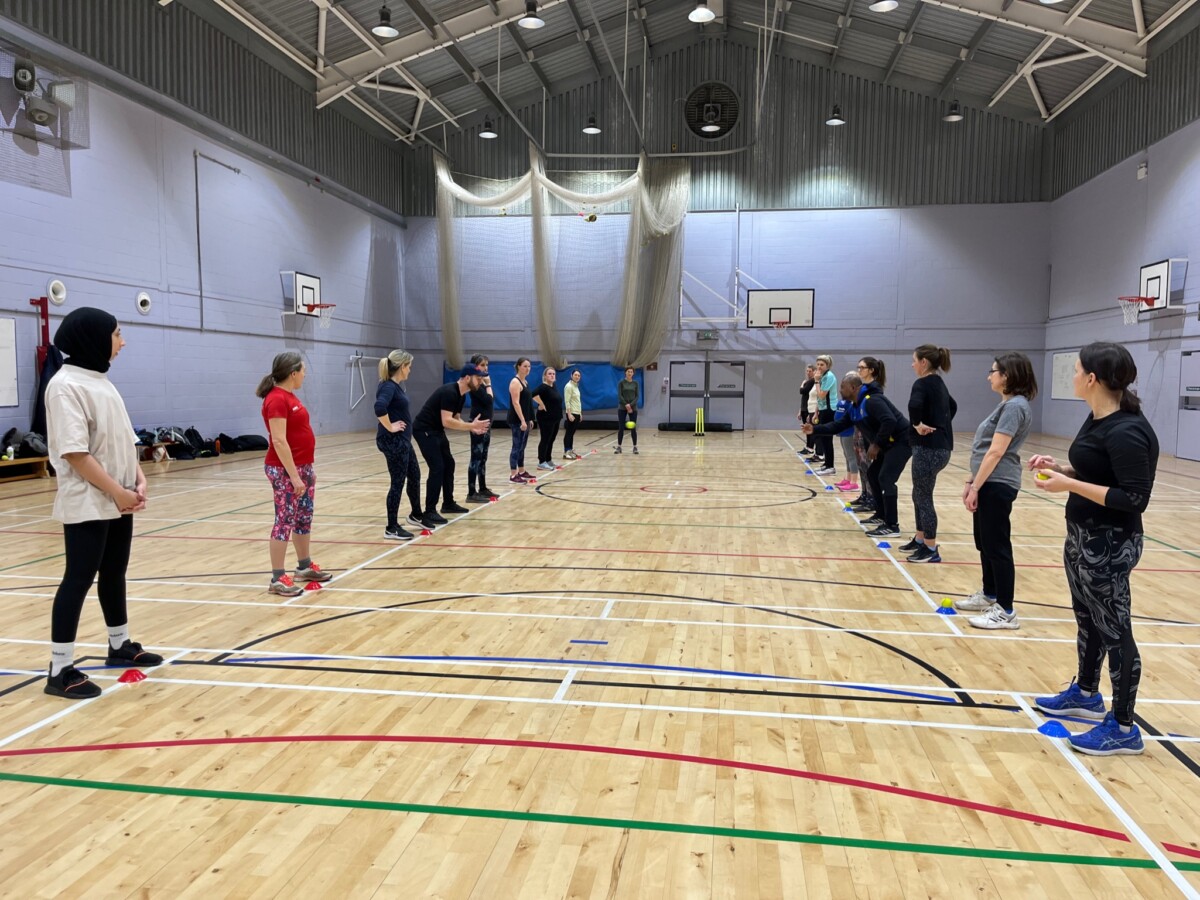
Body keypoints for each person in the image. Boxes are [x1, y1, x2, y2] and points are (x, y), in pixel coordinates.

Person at [1032, 342, 1158, 756]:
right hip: (1082, 535)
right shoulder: (1098, 419)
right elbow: (1096, 471)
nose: (1071, 376)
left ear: (1092, 379)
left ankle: (1123, 726)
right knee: (1087, 618)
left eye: (1076, 370)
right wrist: (1062, 469)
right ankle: (1086, 692)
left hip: (1111, 543)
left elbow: (1132, 498)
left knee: (1115, 630)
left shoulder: (1127, 430)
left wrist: (1069, 484)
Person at [42, 308, 163, 699]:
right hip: (88, 501)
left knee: (115, 572)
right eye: (117, 333)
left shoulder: (102, 381)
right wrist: (116, 490)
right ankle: (60, 668)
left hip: (117, 497)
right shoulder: (64, 386)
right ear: (94, 338)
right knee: (78, 578)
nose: (122, 341)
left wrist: (138, 479)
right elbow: (76, 453)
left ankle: (119, 645)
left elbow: (124, 441)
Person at [953, 352, 1036, 630]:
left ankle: (1006, 610)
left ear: (1007, 375)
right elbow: (983, 451)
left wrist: (976, 485)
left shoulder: (1014, 407)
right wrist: (971, 481)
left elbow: (997, 450)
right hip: (986, 481)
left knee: (997, 545)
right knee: (984, 542)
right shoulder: (1006, 405)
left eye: (993, 371)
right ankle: (989, 594)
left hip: (998, 483)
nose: (989, 376)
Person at [257, 351, 333, 597]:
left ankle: (304, 566)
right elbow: (279, 441)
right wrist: (295, 476)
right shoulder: (276, 399)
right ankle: (278, 578)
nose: (304, 375)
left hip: (301, 468)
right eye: (302, 371)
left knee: (303, 518)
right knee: (284, 520)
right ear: (292, 373)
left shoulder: (289, 397)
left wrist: (307, 472)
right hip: (284, 471)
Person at [413, 364, 491, 527]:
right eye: (478, 379)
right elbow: (447, 421)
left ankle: (448, 503)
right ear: (467, 378)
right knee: (437, 468)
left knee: (449, 464)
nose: (480, 382)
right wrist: (471, 426)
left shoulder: (461, 395)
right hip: (424, 430)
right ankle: (429, 511)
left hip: (436, 430)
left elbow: (455, 417)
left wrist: (472, 427)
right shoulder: (449, 392)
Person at [904, 345, 957, 564]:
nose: (912, 364)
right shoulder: (939, 383)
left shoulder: (922, 383)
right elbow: (953, 406)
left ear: (924, 362)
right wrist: (941, 425)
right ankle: (919, 538)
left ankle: (930, 547)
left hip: (928, 449)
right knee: (919, 493)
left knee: (923, 496)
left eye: (914, 360)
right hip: (940, 448)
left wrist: (918, 424)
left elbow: (913, 405)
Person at [374, 349, 422, 541]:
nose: (410, 370)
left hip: (402, 441)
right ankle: (391, 527)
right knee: (397, 483)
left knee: (415, 474)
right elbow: (379, 407)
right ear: (402, 367)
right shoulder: (388, 387)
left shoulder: (395, 386)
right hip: (393, 441)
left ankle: (416, 514)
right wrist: (390, 426)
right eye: (409, 367)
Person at [466, 354, 498, 502]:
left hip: (486, 425)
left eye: (487, 365)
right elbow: (489, 400)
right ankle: (471, 492)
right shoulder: (475, 384)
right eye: (482, 365)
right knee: (476, 458)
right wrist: (489, 384)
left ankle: (482, 488)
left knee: (483, 458)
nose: (486, 368)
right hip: (477, 426)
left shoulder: (481, 382)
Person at [508, 358, 535, 482]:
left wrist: (529, 419)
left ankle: (522, 470)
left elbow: (527, 403)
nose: (527, 368)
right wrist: (522, 420)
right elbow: (516, 403)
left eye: (529, 366)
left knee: (522, 447)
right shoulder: (515, 382)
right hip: (516, 419)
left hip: (525, 419)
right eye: (525, 366)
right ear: (519, 366)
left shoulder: (525, 382)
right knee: (516, 446)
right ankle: (513, 474)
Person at [833, 371, 860, 493]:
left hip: (849, 433)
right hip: (842, 432)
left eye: (843, 387)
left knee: (851, 456)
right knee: (846, 456)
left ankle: (854, 482)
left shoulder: (852, 404)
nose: (840, 390)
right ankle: (848, 479)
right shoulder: (841, 402)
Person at [532, 367, 563, 470]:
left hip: (555, 417)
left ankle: (548, 460)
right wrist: (541, 403)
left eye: (553, 374)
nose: (552, 375)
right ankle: (541, 462)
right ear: (545, 376)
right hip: (546, 418)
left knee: (551, 439)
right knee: (545, 439)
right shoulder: (543, 387)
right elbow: (532, 394)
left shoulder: (553, 386)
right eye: (549, 374)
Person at [812, 354, 838, 476]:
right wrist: (816, 412)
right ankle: (827, 464)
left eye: (822, 365)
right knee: (823, 437)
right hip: (823, 409)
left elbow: (821, 395)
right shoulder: (823, 376)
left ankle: (830, 466)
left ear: (828, 365)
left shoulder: (829, 376)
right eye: (818, 364)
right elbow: (819, 399)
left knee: (827, 438)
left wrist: (816, 381)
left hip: (830, 410)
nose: (819, 367)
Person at [616, 366, 639, 454]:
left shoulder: (635, 383)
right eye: (628, 371)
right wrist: (626, 405)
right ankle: (619, 447)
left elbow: (637, 396)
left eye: (631, 372)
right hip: (622, 407)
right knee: (621, 427)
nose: (630, 373)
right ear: (625, 373)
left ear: (633, 373)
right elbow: (620, 395)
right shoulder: (621, 383)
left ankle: (635, 447)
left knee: (633, 427)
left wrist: (630, 405)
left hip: (633, 408)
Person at [796, 364, 817, 457]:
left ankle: (811, 448)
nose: (808, 373)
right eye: (807, 371)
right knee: (806, 429)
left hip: (809, 409)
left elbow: (802, 391)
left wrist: (802, 384)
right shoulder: (809, 382)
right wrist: (800, 410)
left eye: (810, 371)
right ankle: (808, 447)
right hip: (804, 408)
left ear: (814, 371)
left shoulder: (812, 382)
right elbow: (804, 397)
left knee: (809, 429)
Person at [563, 369, 583, 459]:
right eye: (575, 375)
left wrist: (580, 413)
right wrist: (569, 414)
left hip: (577, 413)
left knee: (572, 433)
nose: (577, 377)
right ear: (571, 375)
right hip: (572, 413)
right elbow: (567, 401)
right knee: (569, 433)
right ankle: (566, 451)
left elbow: (577, 401)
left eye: (579, 375)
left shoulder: (576, 386)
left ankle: (570, 450)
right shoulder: (569, 386)